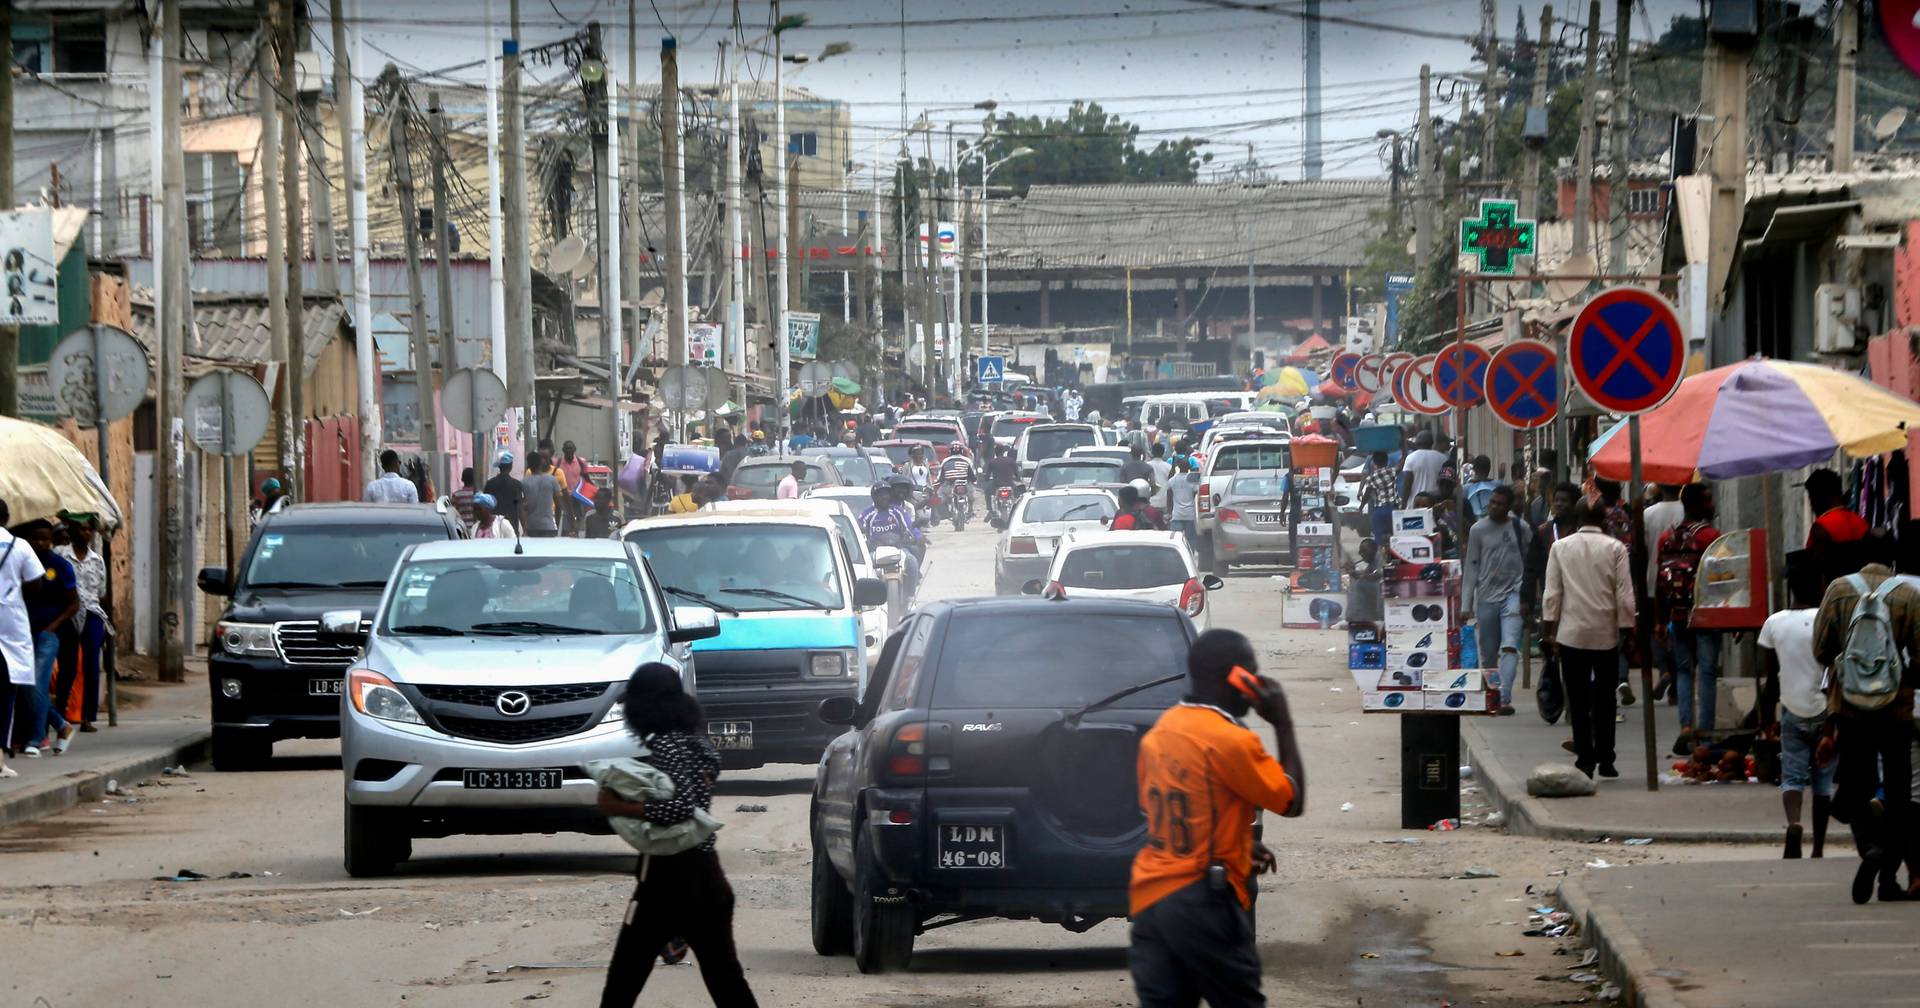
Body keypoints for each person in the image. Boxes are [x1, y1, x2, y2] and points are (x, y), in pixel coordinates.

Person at [1129, 628, 1304, 1008]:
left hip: (1151, 901)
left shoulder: (1161, 733)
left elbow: (1181, 812)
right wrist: (1283, 722)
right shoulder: (1231, 739)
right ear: (1237, 677)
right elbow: (1291, 801)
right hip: (1202, 903)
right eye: (1252, 674)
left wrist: (1238, 843)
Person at [595, 663, 758, 1007]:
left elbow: (680, 807)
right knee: (726, 979)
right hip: (707, 880)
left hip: (669, 880)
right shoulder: (697, 744)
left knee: (623, 979)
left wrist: (618, 807)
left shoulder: (667, 746)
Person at [1812, 539, 1920, 903]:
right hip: (1897, 710)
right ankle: (1888, 880)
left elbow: (1821, 649)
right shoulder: (1908, 595)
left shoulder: (1839, 590)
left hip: (1851, 709)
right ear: (1891, 559)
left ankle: (1868, 847)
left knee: (1858, 784)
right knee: (1900, 794)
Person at [1542, 500, 1636, 778]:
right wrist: (1627, 630)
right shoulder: (1616, 548)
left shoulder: (1560, 548)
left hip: (1571, 634)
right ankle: (1606, 757)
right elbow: (1625, 596)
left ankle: (1585, 758)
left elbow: (1552, 594)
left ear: (1576, 518)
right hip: (1605, 635)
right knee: (1606, 699)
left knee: (1579, 699)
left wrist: (1548, 631)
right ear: (1604, 520)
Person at [1760, 569, 1832, 860]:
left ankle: (1794, 823)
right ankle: (1818, 848)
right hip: (1825, 710)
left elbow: (1770, 679)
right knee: (1823, 781)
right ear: (1820, 584)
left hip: (1791, 708)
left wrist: (1766, 719)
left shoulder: (1774, 623)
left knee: (1792, 777)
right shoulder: (1827, 621)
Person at [1657, 484, 1723, 754]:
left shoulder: (1666, 538)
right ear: (1697, 505)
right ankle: (1705, 733)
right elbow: (1722, 582)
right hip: (1706, 616)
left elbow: (1659, 583)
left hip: (1677, 615)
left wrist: (1660, 621)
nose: (1713, 504)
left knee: (1684, 671)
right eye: (1709, 500)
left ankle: (1686, 726)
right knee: (1707, 672)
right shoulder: (1711, 537)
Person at [1464, 485, 1531, 716]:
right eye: (1491, 502)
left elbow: (1530, 564)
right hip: (1486, 597)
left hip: (1514, 593)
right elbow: (1471, 567)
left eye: (1499, 503)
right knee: (1489, 652)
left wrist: (1530, 596)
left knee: (1510, 646)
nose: (1493, 506)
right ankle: (1492, 692)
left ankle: (1504, 696)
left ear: (1509, 506)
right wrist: (1465, 605)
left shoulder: (1520, 527)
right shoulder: (1477, 530)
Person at [15, 521, 78, 757]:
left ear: (51, 539)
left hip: (47, 634)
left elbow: (74, 604)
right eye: (35, 538)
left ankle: (38, 737)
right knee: (23, 685)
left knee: (37, 684)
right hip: (22, 632)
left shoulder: (59, 566)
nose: (40, 543)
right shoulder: (20, 560)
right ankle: (61, 726)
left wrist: (53, 627)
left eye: (44, 538)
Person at [53, 516, 110, 734]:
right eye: (81, 529)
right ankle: (60, 713)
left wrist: (109, 622)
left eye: (89, 530)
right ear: (73, 531)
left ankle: (87, 717)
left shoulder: (97, 560)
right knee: (67, 666)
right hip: (68, 614)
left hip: (93, 613)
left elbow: (102, 593)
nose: (85, 533)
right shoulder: (61, 555)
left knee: (91, 666)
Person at [0, 500, 42, 777]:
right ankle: (0, 758)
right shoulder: (20, 546)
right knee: (6, 693)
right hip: (10, 622)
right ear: (7, 518)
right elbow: (37, 581)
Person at [857, 484, 923, 599]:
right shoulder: (867, 514)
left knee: (912, 562)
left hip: (898, 548)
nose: (884, 497)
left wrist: (916, 537)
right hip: (875, 551)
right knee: (864, 570)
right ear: (874, 496)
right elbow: (860, 532)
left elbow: (909, 528)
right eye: (880, 494)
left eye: (886, 494)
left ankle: (909, 597)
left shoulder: (898, 511)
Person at [1359, 450, 1401, 547]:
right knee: (1396, 538)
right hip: (1394, 510)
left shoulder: (1371, 478)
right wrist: (1405, 450)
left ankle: (1382, 557)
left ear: (1374, 462)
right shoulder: (1392, 472)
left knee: (1379, 539)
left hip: (1379, 511)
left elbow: (1367, 494)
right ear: (1387, 461)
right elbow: (1401, 463)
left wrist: (1361, 506)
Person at [520, 452, 562, 538]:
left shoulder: (524, 482)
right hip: (548, 526)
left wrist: (524, 528)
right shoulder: (551, 480)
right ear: (540, 463)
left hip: (531, 527)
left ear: (528, 465)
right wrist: (556, 524)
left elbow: (522, 508)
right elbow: (559, 505)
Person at [1399, 430, 1446, 501]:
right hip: (1436, 502)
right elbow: (1445, 482)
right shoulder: (1443, 458)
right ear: (1432, 443)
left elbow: (1407, 483)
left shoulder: (1410, 458)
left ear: (1417, 443)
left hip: (1416, 503)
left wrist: (1404, 503)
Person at [551, 441, 586, 535]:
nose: (569, 450)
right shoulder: (557, 462)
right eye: (567, 448)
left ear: (575, 449)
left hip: (577, 497)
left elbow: (585, 477)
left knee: (577, 520)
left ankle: (575, 535)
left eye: (571, 448)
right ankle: (564, 537)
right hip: (563, 496)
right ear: (563, 450)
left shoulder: (581, 462)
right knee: (565, 521)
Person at [484, 453, 525, 530]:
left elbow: (485, 506)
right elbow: (520, 507)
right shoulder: (516, 485)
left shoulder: (489, 484)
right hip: (512, 526)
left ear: (499, 466)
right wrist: (525, 529)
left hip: (494, 526)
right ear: (511, 466)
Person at [1167, 455, 1201, 549]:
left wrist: (1169, 512)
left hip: (1177, 514)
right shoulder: (1192, 481)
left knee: (1175, 540)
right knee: (1191, 539)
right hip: (1190, 514)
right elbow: (1195, 495)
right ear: (1189, 468)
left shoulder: (1172, 480)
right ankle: (1190, 556)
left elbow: (1169, 497)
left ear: (1179, 467)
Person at [936, 441, 975, 506]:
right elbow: (973, 476)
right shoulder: (968, 460)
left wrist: (939, 481)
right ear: (962, 451)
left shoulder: (945, 461)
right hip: (966, 486)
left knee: (940, 493)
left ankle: (944, 512)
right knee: (972, 492)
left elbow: (940, 477)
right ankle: (971, 510)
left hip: (949, 487)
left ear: (950, 451)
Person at [1147, 443, 1173, 510]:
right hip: (1164, 502)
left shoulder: (1147, 466)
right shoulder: (1169, 467)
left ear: (1152, 452)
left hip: (1150, 502)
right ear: (1163, 452)